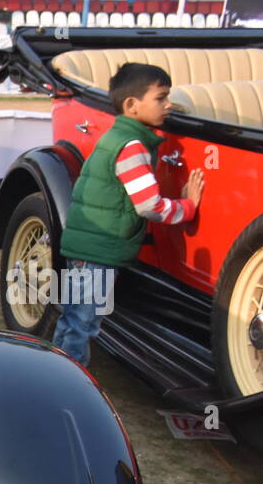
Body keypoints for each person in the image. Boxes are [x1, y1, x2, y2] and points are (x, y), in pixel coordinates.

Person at [55, 62, 205, 366]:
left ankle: (54, 375)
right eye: (161, 98)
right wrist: (187, 206)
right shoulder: (132, 147)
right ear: (132, 105)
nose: (168, 105)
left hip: (87, 249)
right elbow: (149, 205)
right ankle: (70, 387)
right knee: (83, 325)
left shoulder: (118, 138)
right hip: (97, 253)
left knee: (72, 321)